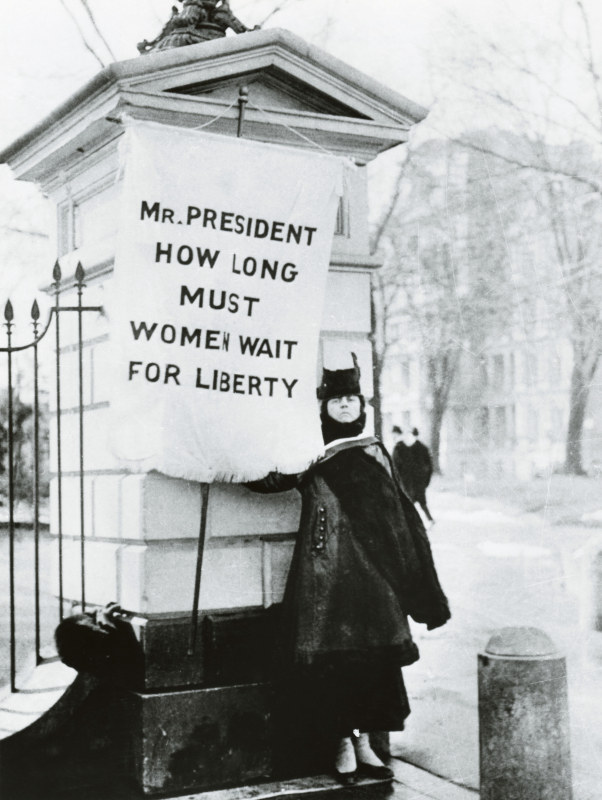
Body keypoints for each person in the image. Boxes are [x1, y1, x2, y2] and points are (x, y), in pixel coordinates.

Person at [247, 355, 450, 784]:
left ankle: (364, 743)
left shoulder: (374, 451)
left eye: (351, 399)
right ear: (324, 407)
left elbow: (401, 516)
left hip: (375, 577)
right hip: (326, 577)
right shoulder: (310, 451)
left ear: (361, 406)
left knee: (373, 663)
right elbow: (271, 480)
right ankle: (341, 742)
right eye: (336, 400)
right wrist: (224, 462)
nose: (344, 405)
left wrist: (417, 584)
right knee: (332, 663)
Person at [392, 426, 435, 525]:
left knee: (416, 502)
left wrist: (425, 481)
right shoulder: (402, 448)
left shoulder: (407, 448)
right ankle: (425, 520)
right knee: (413, 502)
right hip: (409, 482)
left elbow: (428, 467)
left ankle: (425, 521)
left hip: (414, 482)